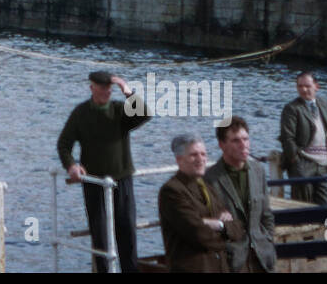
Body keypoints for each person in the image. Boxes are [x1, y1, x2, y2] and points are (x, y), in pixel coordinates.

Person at [56, 70, 149, 273]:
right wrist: (71, 164)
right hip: (95, 183)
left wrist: (127, 91)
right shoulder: (80, 113)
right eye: (102, 88)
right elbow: (64, 144)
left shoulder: (119, 110)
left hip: (122, 180)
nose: (106, 92)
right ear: (92, 88)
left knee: (127, 233)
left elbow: (144, 115)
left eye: (109, 88)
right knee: (100, 236)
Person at [158, 135, 240, 273]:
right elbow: (198, 234)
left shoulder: (207, 187)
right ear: (179, 160)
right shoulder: (172, 191)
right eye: (193, 155)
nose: (200, 159)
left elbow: (238, 229)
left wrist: (219, 225)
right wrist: (226, 234)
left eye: (203, 154)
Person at [205, 116, 276, 273]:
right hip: (232, 260)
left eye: (246, 139)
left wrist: (268, 240)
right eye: (236, 141)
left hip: (262, 257)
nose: (243, 145)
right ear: (222, 145)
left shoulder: (258, 171)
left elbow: (266, 215)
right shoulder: (210, 179)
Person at [279, 72, 327, 205]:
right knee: (303, 205)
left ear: (317, 87)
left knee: (325, 204)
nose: (303, 90)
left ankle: (325, 226)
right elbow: (287, 138)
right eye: (300, 86)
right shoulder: (291, 109)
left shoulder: (322, 102)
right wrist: (295, 162)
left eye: (307, 86)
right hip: (303, 163)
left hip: (322, 164)